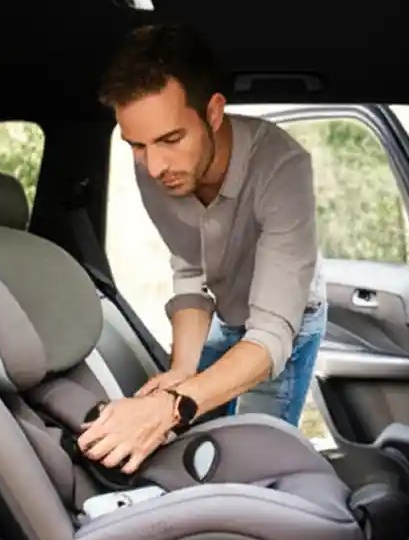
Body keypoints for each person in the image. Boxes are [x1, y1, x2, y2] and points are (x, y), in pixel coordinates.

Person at [77, 23, 327, 475]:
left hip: (285, 324)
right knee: (195, 446)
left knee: (257, 465)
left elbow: (271, 334)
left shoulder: (283, 168)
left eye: (171, 139)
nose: (155, 166)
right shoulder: (156, 165)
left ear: (213, 113)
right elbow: (190, 268)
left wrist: (171, 407)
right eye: (137, 145)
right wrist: (182, 373)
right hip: (223, 314)